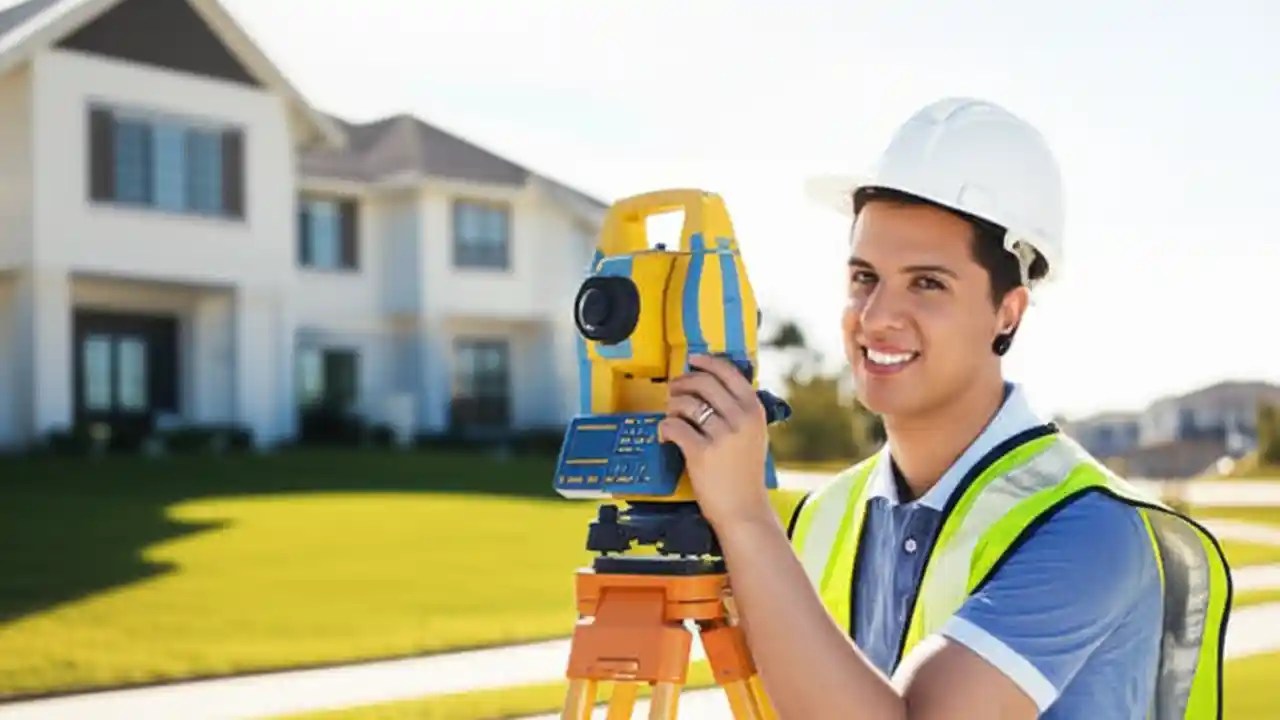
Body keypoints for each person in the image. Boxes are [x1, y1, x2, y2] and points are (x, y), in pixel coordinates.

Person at [657, 98, 1231, 719]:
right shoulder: (824, 517)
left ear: (1006, 312)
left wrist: (744, 516)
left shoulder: (1088, 531)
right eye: (864, 278)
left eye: (927, 283)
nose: (876, 317)